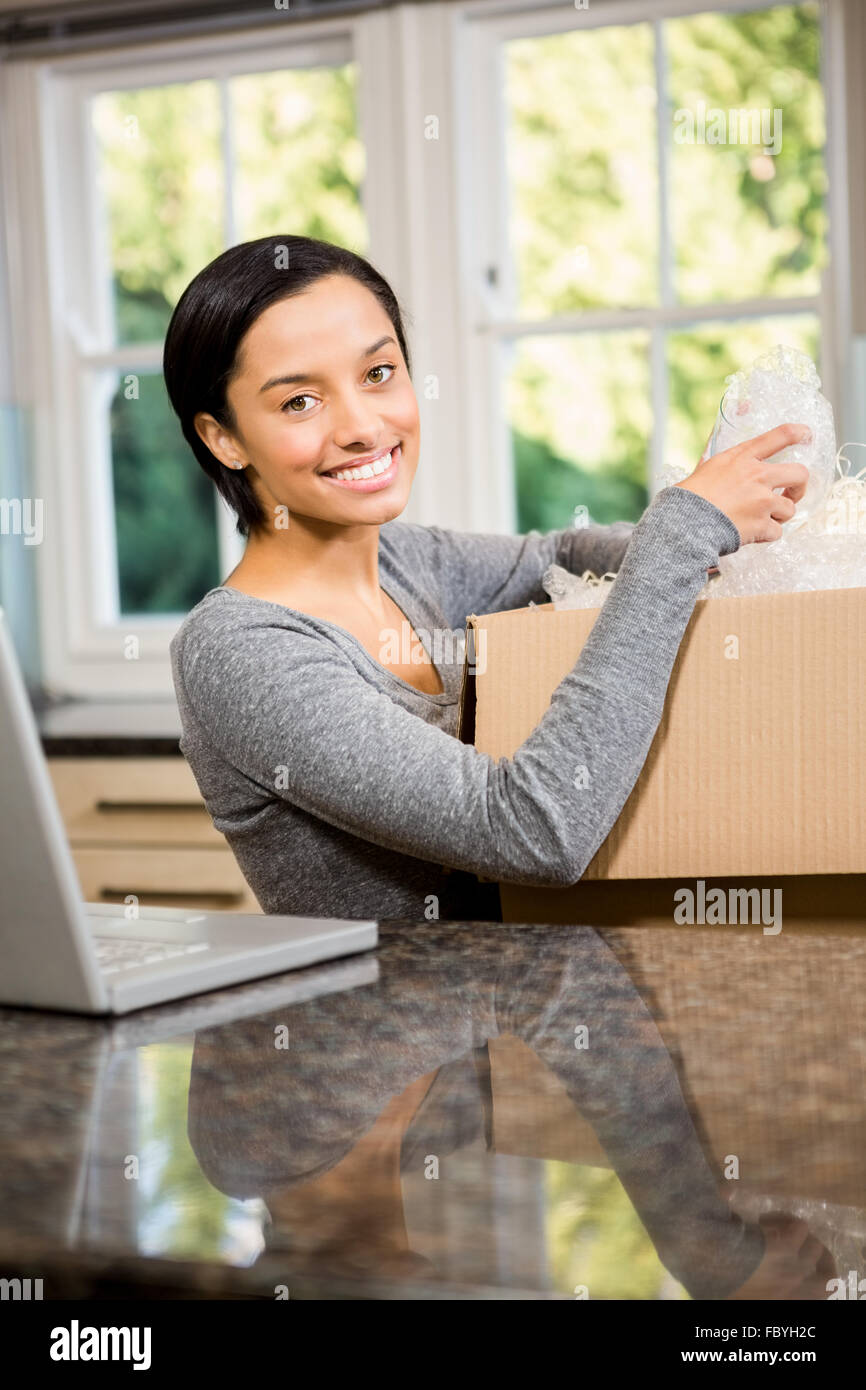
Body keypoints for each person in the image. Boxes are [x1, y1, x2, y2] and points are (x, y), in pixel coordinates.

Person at [164, 234, 809, 922]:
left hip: (519, 1017)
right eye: (299, 402)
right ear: (223, 437)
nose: (361, 425)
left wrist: (734, 522)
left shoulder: (404, 560)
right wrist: (680, 531)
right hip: (373, 1031)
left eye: (378, 374)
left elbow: (560, 555)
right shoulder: (240, 650)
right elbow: (534, 832)